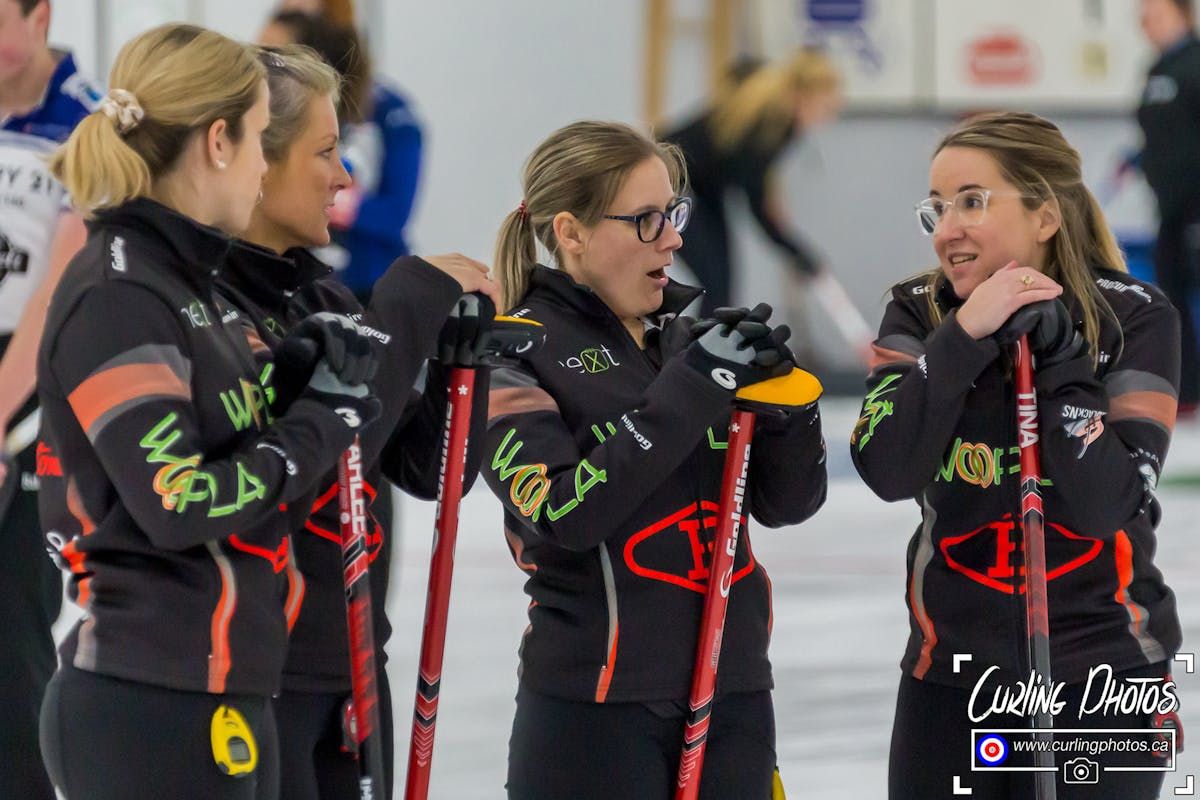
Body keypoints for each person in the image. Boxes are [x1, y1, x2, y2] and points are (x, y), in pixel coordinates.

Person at [36, 24, 380, 800]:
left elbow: (236, 457)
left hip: (226, 685)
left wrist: (293, 381)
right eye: (262, 138)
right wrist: (315, 421)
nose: (266, 165)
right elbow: (177, 501)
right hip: (151, 697)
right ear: (218, 141)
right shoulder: (119, 294)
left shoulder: (194, 285)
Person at [485, 120, 827, 799]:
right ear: (572, 232)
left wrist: (790, 411)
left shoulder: (692, 341)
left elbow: (788, 505)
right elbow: (565, 513)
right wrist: (694, 385)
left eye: (673, 213)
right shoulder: (511, 352)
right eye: (645, 219)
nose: (672, 237)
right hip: (597, 707)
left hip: (733, 692)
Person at [852, 111, 1182, 799]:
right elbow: (886, 466)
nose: (947, 230)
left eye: (972, 201)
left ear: (1045, 215)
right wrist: (965, 335)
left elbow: (1104, 506)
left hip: (1103, 675)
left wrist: (1063, 362)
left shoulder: (1135, 317)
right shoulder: (919, 313)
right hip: (949, 676)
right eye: (936, 209)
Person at [217, 44, 496, 799]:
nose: (345, 180)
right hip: (259, 673)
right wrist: (403, 306)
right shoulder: (212, 308)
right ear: (259, 162)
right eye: (327, 153)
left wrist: (456, 373)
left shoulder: (326, 298)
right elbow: (305, 471)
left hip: (351, 662)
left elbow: (428, 472)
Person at [0, 1, 99, 796]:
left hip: (28, 390)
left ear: (42, 16)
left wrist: (0, 416)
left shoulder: (89, 122)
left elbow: (63, 285)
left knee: (12, 640)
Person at [260, 10, 423, 304]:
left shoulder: (391, 116)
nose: (261, 68)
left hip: (368, 285)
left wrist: (338, 202)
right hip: (308, 280)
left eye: (274, 56)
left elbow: (396, 213)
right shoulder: (263, 115)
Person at [661, 49, 841, 311]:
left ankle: (707, 348)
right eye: (825, 107)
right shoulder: (769, 123)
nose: (825, 118)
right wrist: (797, 253)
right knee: (714, 284)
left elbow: (752, 187)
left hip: (705, 187)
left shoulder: (773, 117)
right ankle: (697, 350)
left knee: (722, 287)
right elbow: (756, 204)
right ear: (803, 96)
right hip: (672, 178)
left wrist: (794, 251)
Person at [1137, 0, 1200, 416]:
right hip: (1169, 209)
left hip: (1196, 206)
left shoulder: (1195, 65)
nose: (1145, 22)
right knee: (1170, 297)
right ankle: (1189, 391)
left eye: (1155, 13)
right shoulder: (1156, 69)